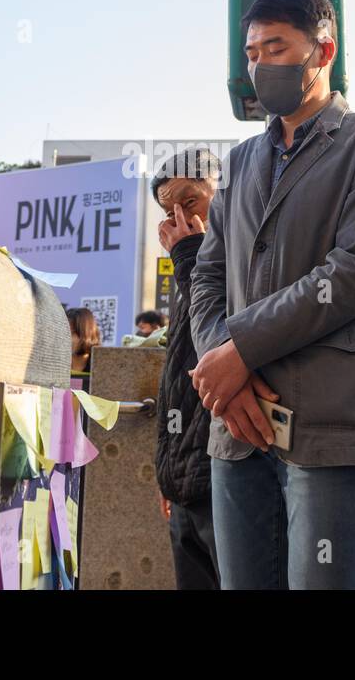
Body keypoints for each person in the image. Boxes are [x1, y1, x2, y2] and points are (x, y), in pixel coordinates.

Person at [190, 0, 355, 590]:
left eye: (278, 48)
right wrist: (222, 364)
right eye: (252, 53)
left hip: (328, 417)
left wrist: (240, 351)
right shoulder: (238, 163)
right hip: (236, 424)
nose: (261, 64)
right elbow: (208, 274)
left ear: (324, 52)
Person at [151, 147, 222, 589]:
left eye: (190, 201)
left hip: (225, 477)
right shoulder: (187, 264)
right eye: (168, 210)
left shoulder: (247, 255)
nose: (180, 219)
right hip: (186, 485)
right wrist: (168, 474)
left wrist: (191, 256)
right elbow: (176, 378)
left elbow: (218, 334)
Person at [65, 307, 100, 374]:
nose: (66, 338)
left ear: (88, 334)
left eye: (72, 333)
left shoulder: (101, 366)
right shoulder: (54, 364)